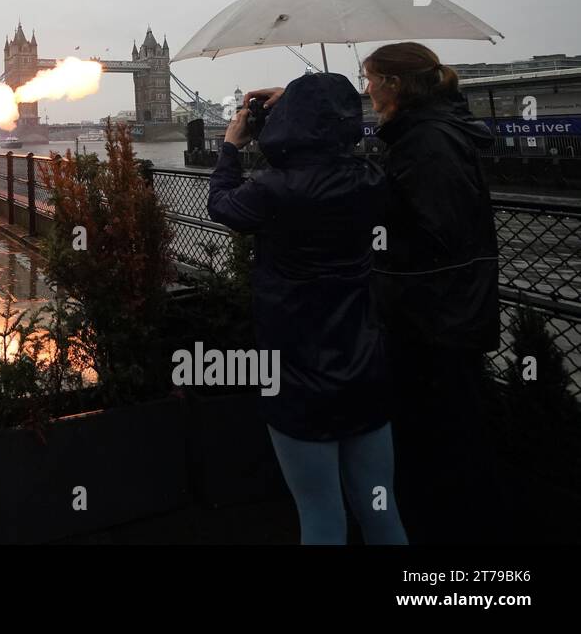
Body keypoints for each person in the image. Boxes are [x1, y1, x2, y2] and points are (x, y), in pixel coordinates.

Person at [208, 73, 406, 545]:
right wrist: (307, 106)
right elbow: (337, 135)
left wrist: (231, 148)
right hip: (363, 365)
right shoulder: (372, 180)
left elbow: (221, 205)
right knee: (381, 510)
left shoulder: (274, 190)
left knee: (319, 514)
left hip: (298, 374)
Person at [361, 41, 501, 544]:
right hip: (437, 314)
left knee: (443, 438)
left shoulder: (427, 141)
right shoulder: (421, 133)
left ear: (395, 85)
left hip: (436, 319)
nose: (366, 87)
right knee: (441, 434)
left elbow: (439, 233)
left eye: (371, 77)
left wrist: (373, 211)